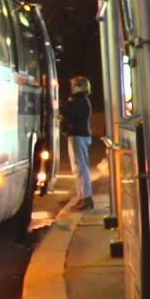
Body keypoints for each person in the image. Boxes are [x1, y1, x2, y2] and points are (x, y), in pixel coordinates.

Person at [61, 75, 93, 210]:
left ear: (80, 86)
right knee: (78, 168)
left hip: (78, 135)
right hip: (78, 135)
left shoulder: (79, 100)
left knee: (80, 169)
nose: (71, 88)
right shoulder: (82, 100)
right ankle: (82, 198)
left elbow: (67, 112)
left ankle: (85, 198)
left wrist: (65, 109)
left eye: (73, 85)